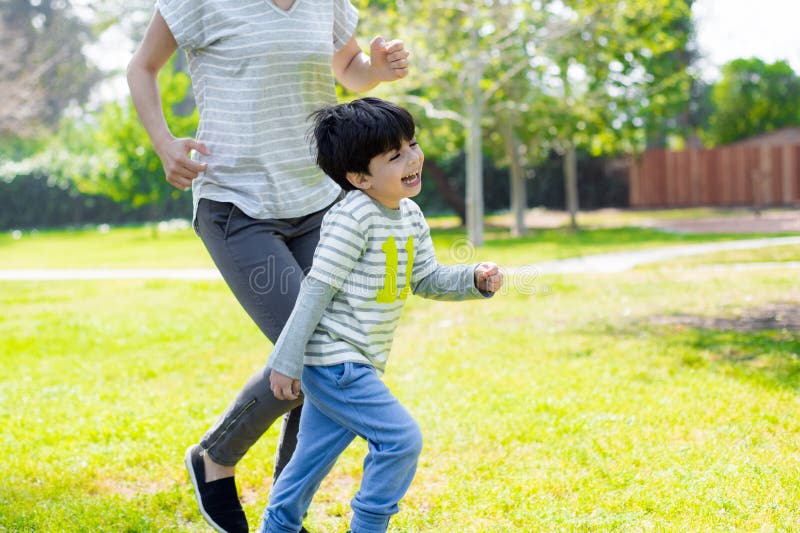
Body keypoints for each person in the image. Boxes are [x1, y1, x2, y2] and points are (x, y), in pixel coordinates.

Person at [126, 1, 411, 531]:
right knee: (313, 354)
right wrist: (164, 144)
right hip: (237, 205)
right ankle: (216, 457)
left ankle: (286, 513)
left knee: (329, 355)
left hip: (318, 200)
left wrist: (377, 68)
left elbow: (348, 70)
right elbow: (141, 66)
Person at [260, 97, 504, 533]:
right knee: (400, 440)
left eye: (412, 144)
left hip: (356, 361)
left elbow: (426, 277)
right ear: (359, 178)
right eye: (395, 156)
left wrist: (472, 279)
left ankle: (276, 527)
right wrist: (286, 360)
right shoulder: (352, 218)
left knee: (307, 464)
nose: (413, 159)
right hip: (337, 362)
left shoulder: (409, 214)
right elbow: (316, 288)